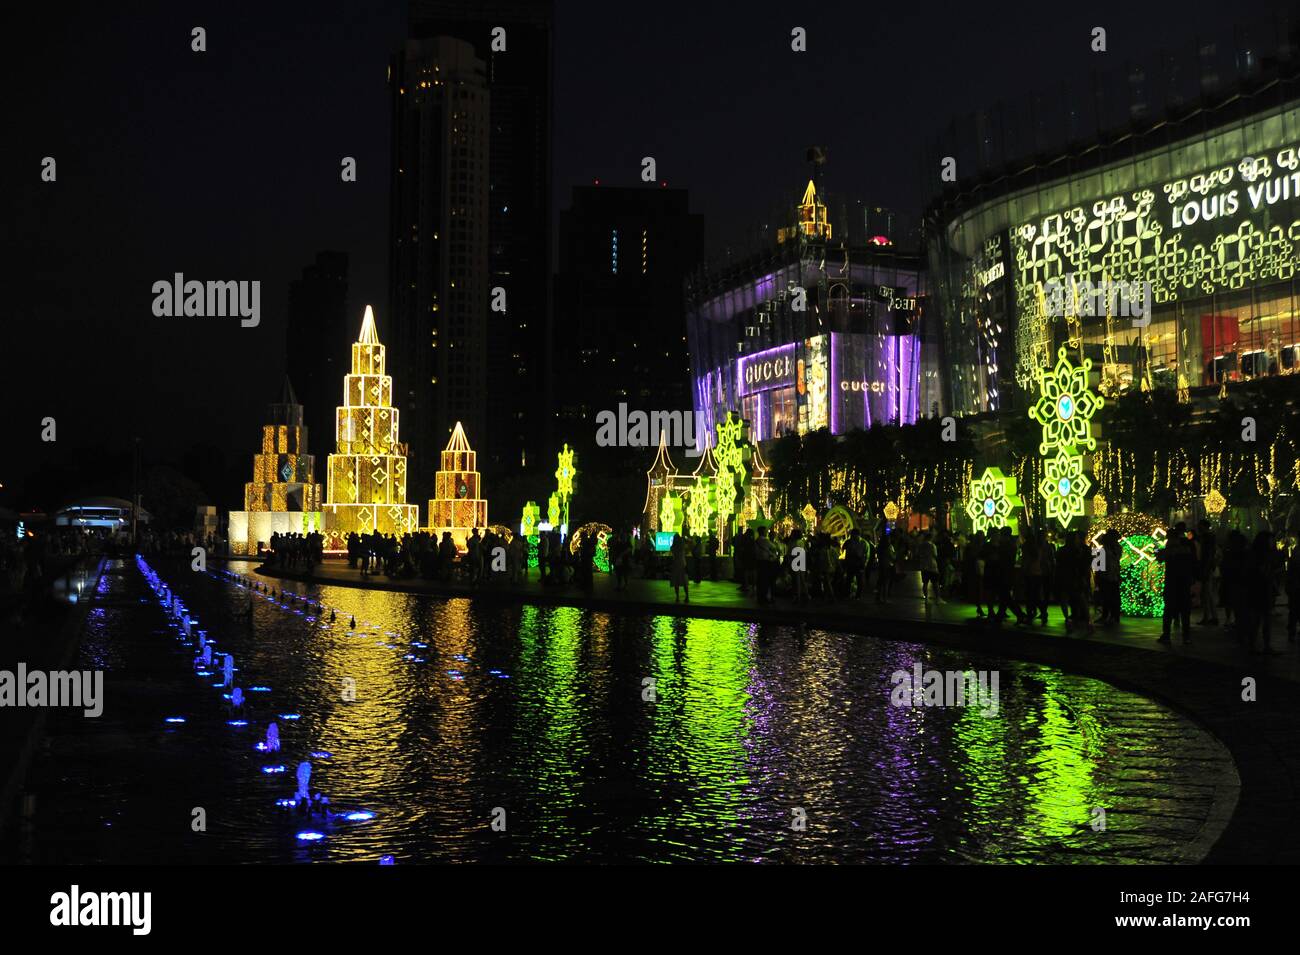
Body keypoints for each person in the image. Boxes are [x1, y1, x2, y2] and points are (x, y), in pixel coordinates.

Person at [1158, 523, 1196, 644]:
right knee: (1185, 610)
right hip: (1184, 580)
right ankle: (1186, 636)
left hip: (1172, 581)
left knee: (1169, 608)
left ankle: (1166, 635)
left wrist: (1158, 550)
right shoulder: (1187, 545)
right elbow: (1193, 561)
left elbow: (1160, 557)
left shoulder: (1170, 548)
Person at [1195, 520, 1219, 625]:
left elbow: (1208, 555)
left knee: (1207, 593)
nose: (1198, 528)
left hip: (1206, 568)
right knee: (1206, 593)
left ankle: (1212, 617)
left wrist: (1205, 568)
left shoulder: (1207, 538)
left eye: (1199, 526)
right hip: (1206, 567)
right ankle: (1210, 616)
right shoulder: (1208, 537)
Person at [917, 531, 941, 602]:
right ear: (931, 538)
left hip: (924, 566)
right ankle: (938, 598)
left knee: (925, 583)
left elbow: (918, 554)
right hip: (932, 566)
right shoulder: (932, 545)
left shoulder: (921, 545)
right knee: (935, 583)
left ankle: (926, 597)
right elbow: (935, 555)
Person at [669, 533, 689, 603]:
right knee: (684, 581)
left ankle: (677, 597)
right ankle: (687, 596)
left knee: (676, 582)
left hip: (676, 565)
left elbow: (672, 552)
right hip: (683, 564)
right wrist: (683, 539)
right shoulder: (682, 545)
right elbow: (688, 544)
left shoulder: (673, 547)